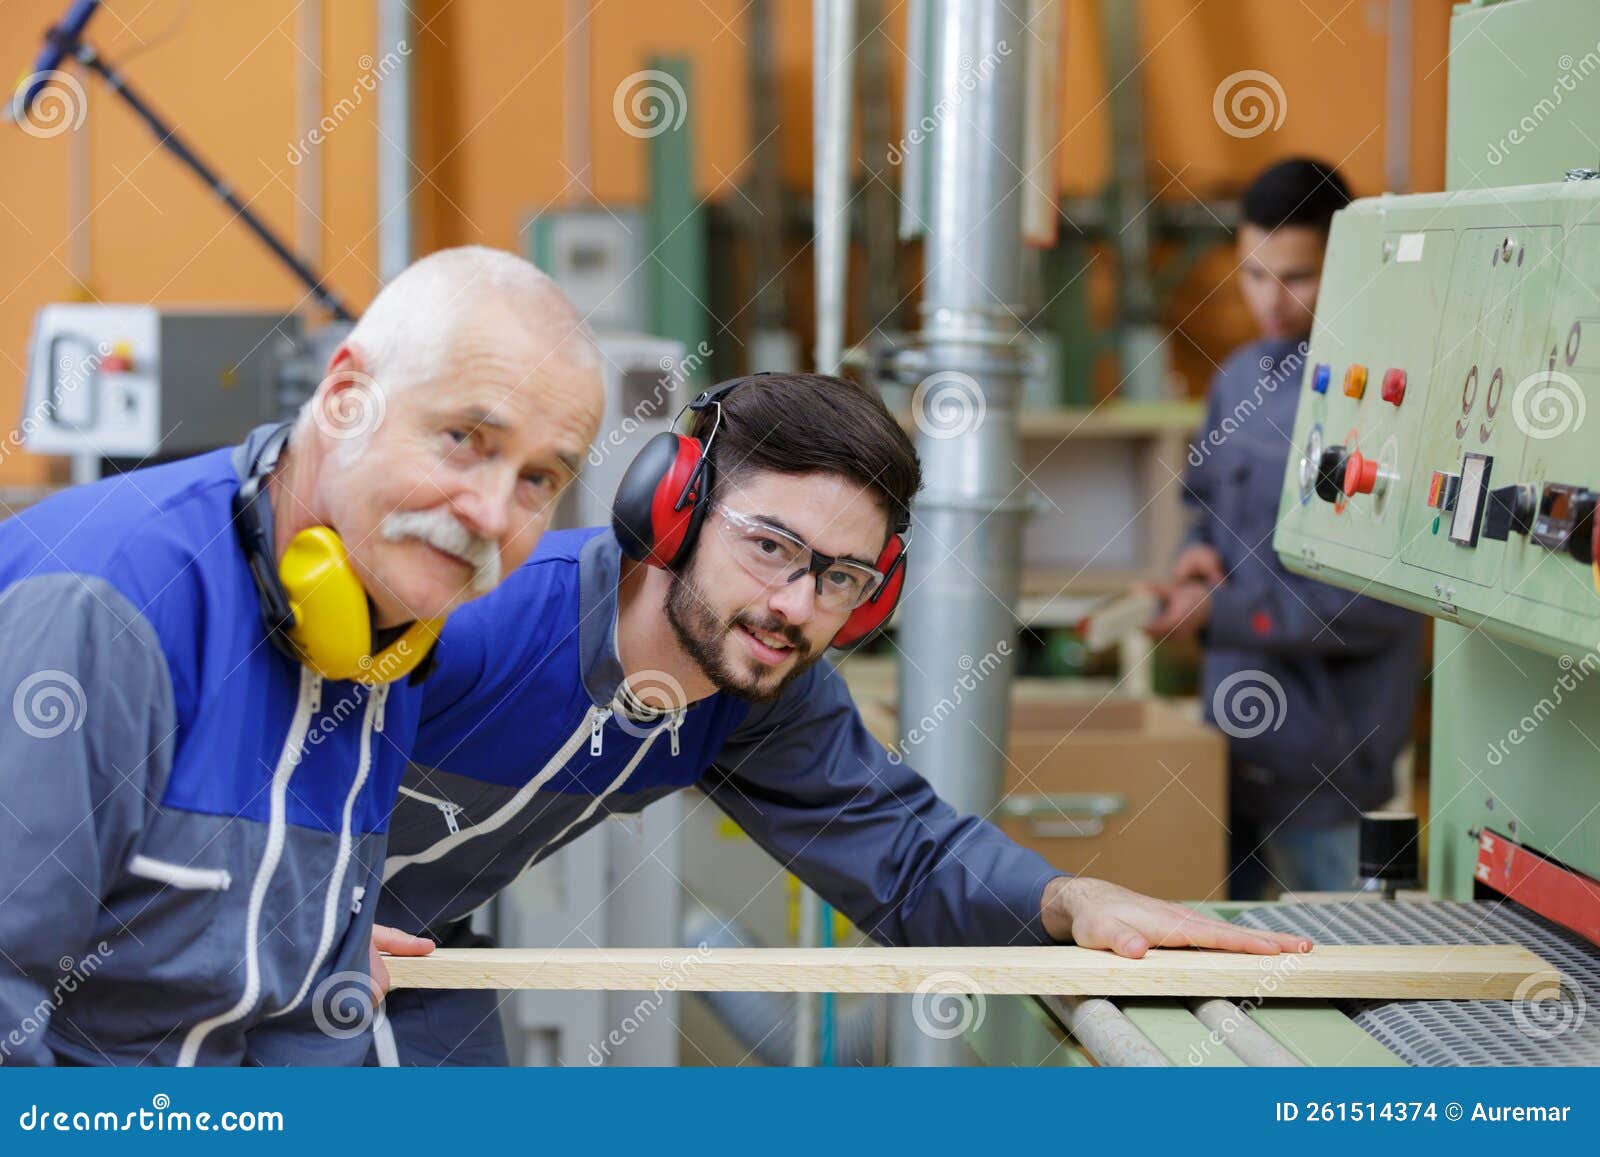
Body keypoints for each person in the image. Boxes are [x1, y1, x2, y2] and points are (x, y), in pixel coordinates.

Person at [370, 371, 1312, 1066]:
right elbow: (241, 739)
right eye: (771, 546)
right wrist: (287, 915)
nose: (795, 604)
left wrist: (1066, 900)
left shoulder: (753, 692)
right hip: (259, 909)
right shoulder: (476, 615)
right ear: (672, 512)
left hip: (414, 946)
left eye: (840, 576)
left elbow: (908, 859)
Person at [0, 246, 603, 1065]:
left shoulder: (381, 632)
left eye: (538, 479)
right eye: (465, 438)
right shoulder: (106, 606)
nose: (493, 512)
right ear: (348, 399)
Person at [1146, 158, 1424, 899]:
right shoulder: (1238, 376)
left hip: (1326, 765)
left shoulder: (1393, 394)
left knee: (1344, 980)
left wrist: (1222, 612)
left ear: (1350, 262)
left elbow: (1382, 597)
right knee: (1225, 966)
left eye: (1296, 277)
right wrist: (1195, 555)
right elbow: (1202, 500)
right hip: (1229, 748)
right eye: (1253, 275)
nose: (1270, 301)